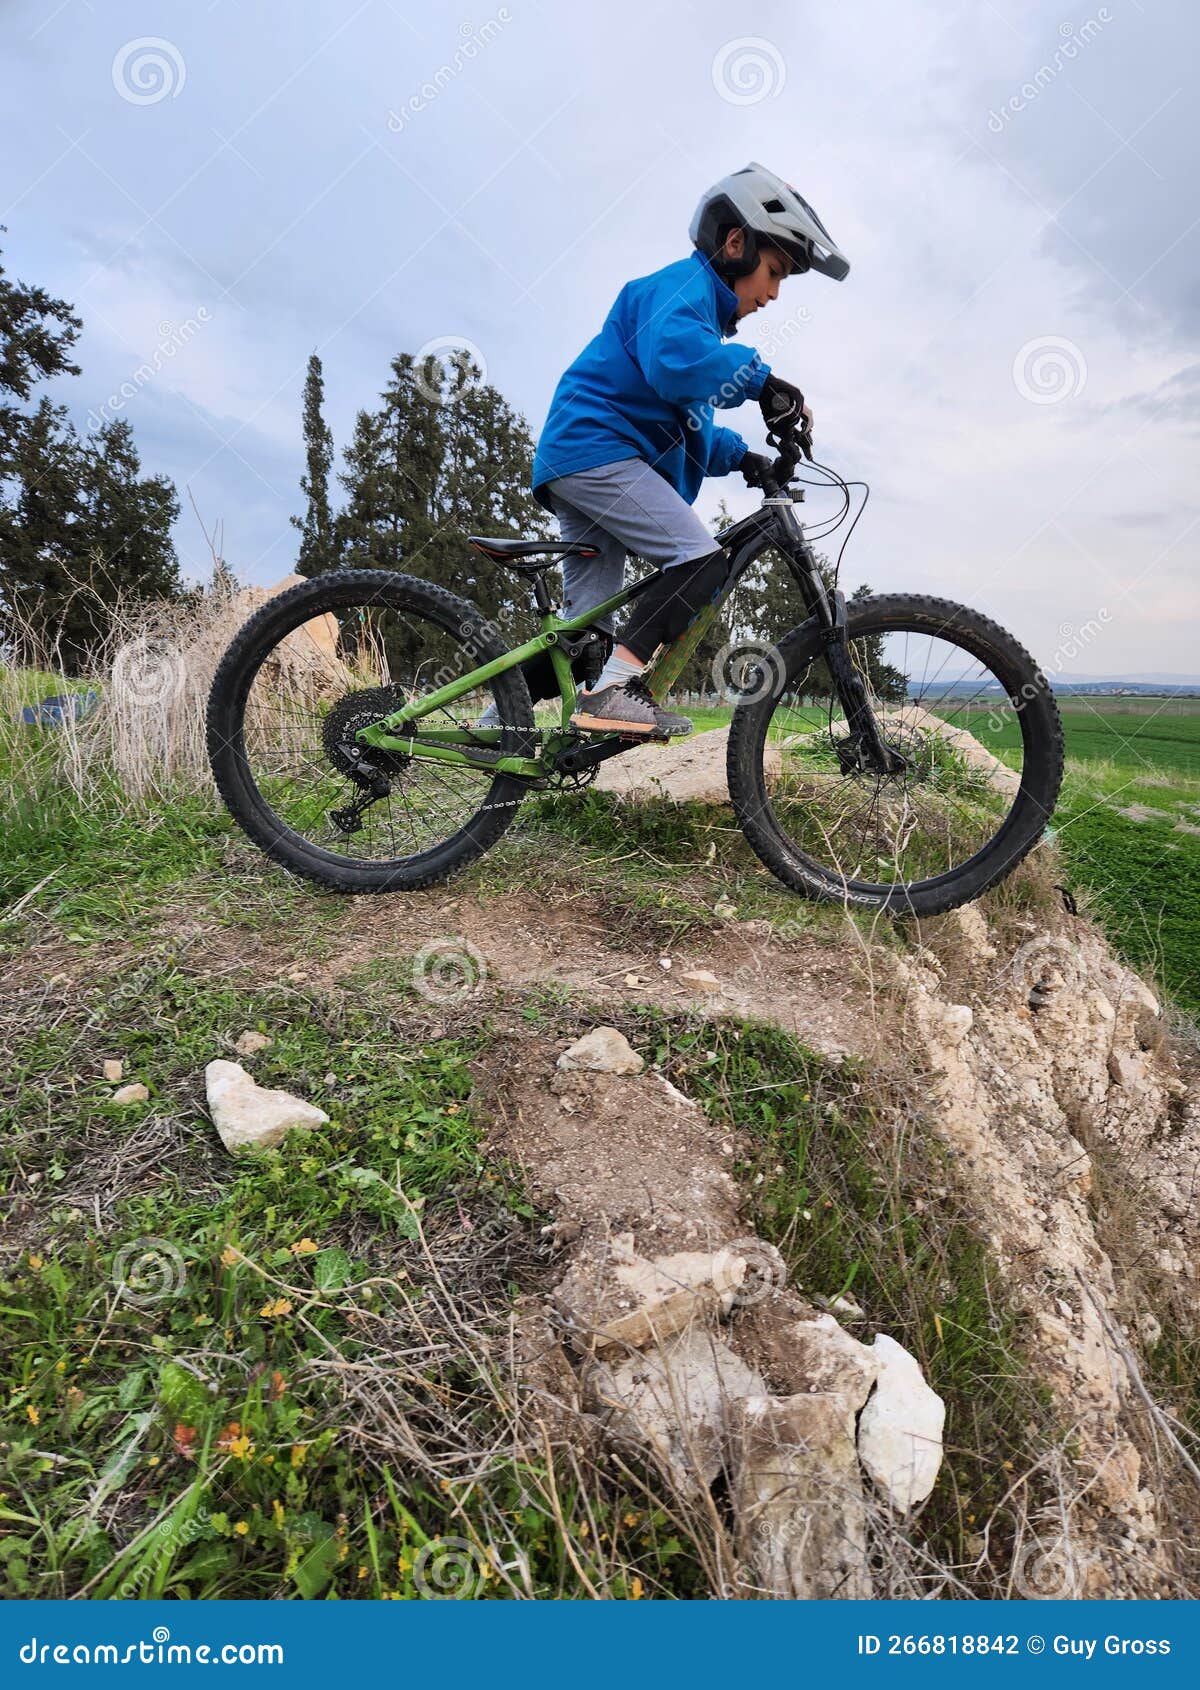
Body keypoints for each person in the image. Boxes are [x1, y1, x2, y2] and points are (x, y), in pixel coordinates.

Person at [488, 163, 850, 738]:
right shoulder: (680, 291)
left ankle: (490, 733)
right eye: (774, 272)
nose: (775, 294)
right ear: (736, 243)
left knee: (584, 635)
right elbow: (678, 362)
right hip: (598, 452)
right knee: (701, 561)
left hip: (585, 458)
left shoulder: (699, 320)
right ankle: (610, 693)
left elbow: (691, 426)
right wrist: (763, 383)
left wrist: (746, 459)